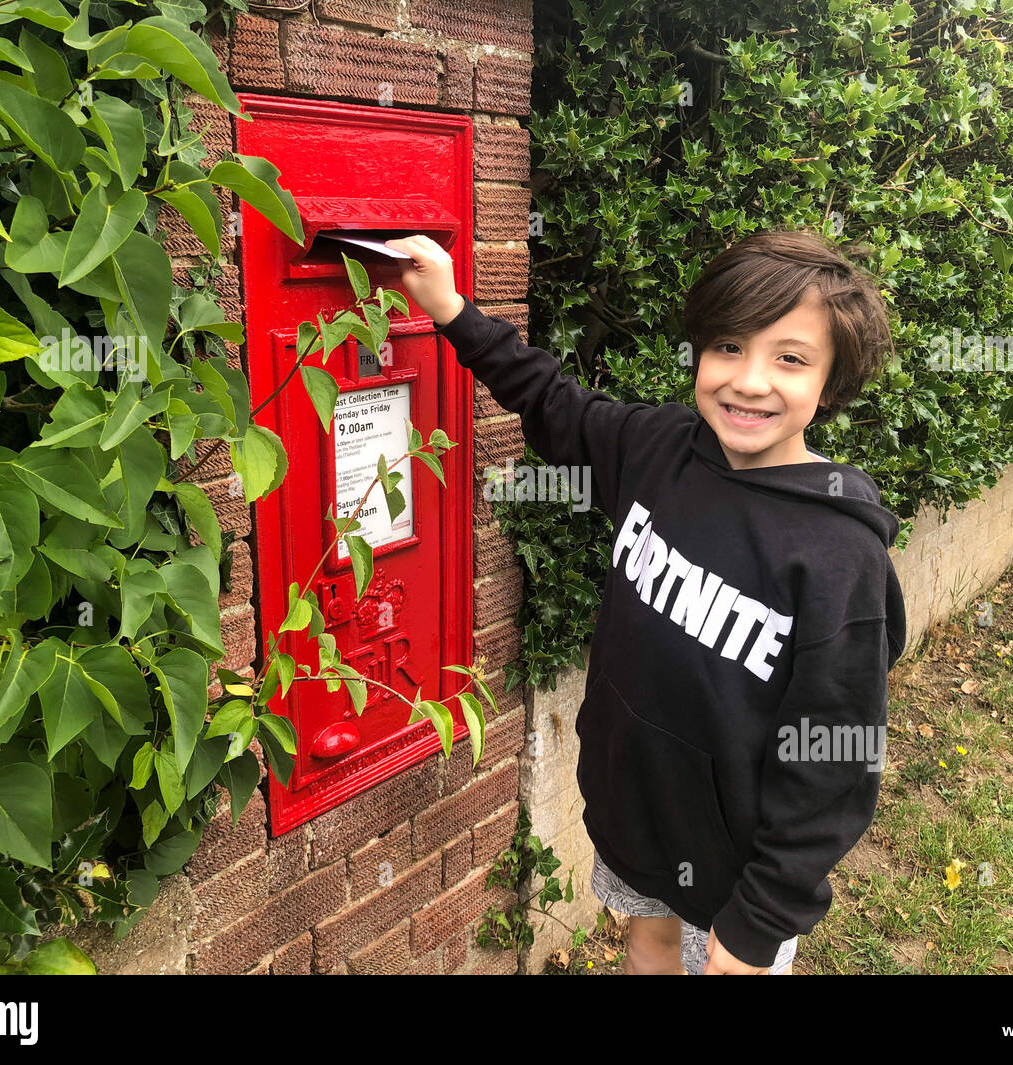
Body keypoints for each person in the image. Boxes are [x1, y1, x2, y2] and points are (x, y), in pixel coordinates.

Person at [385, 228, 906, 975]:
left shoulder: (837, 554)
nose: (750, 380)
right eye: (728, 346)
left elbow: (836, 759)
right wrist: (451, 309)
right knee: (648, 942)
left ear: (830, 382)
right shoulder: (659, 447)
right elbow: (551, 401)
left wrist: (762, 918)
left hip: (737, 870)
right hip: (638, 816)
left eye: (790, 358)